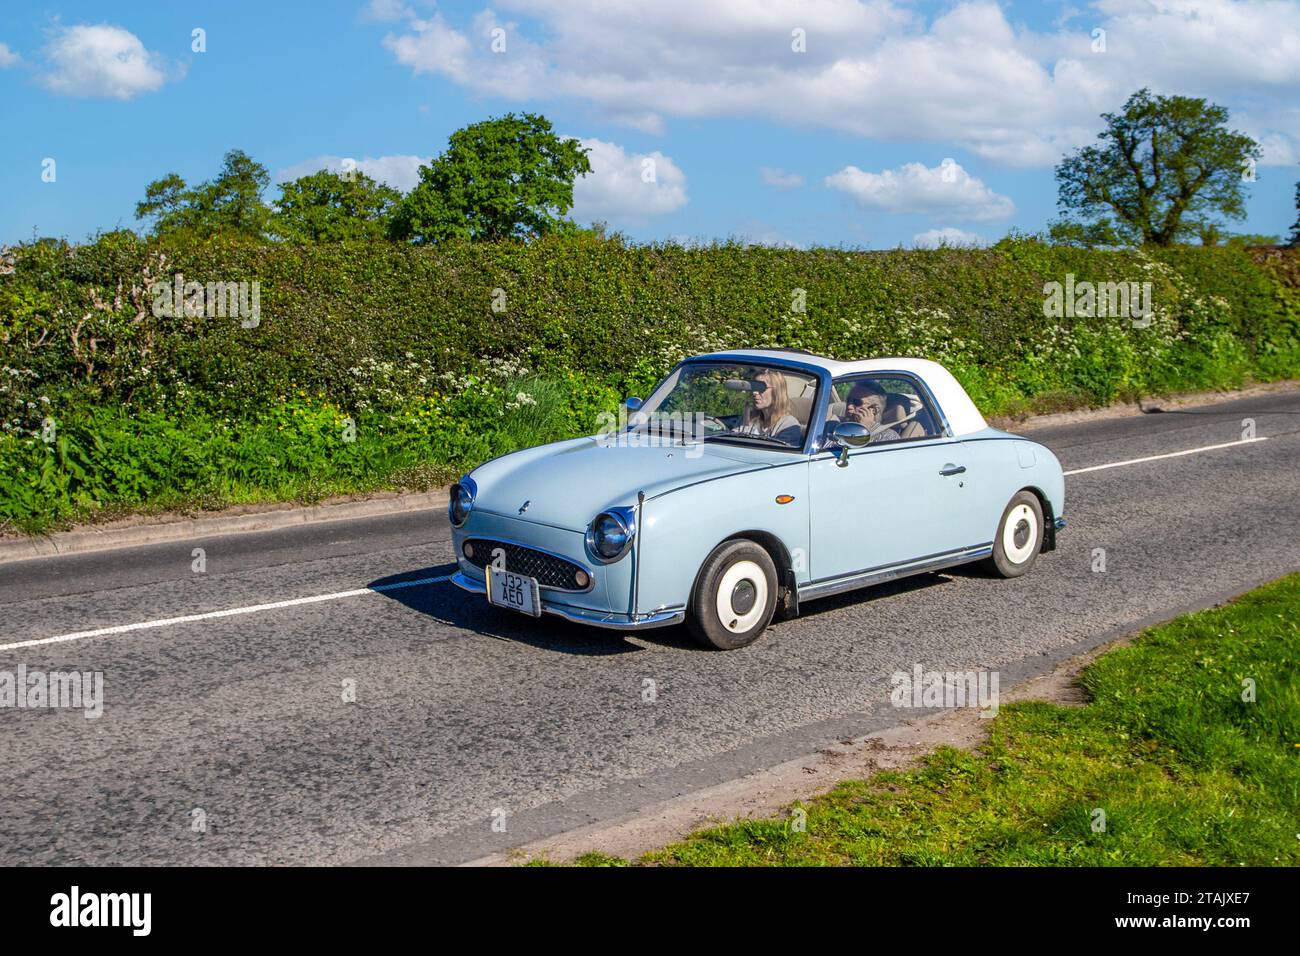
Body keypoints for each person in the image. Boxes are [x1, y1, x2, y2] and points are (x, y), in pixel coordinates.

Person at [738, 368, 803, 445]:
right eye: (754, 387)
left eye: (760, 387)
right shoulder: (749, 418)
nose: (754, 392)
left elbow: (781, 454)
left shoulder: (789, 425)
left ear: (777, 392)